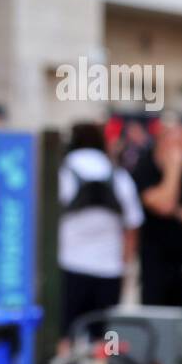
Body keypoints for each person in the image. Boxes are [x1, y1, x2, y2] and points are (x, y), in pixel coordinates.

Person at [56, 122, 143, 345]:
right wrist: (127, 265)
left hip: (69, 265)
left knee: (65, 335)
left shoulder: (63, 172)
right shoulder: (118, 175)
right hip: (109, 268)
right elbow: (133, 225)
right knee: (104, 338)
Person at [132, 117, 182, 306]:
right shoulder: (145, 167)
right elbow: (163, 204)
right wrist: (173, 170)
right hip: (154, 259)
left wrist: (177, 212)